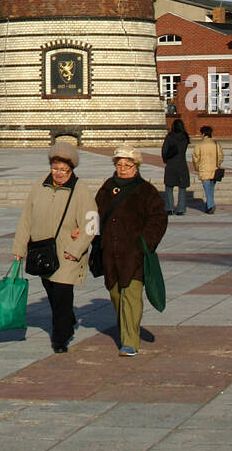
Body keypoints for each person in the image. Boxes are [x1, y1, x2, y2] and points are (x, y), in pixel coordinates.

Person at [13, 140, 93, 354]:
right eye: (55, 168)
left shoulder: (81, 191)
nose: (59, 173)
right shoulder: (40, 185)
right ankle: (67, 318)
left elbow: (91, 225)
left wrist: (76, 250)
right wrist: (20, 247)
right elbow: (26, 218)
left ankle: (60, 338)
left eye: (64, 170)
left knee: (61, 293)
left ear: (71, 169)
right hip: (42, 251)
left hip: (68, 253)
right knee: (51, 292)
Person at [95, 146, 168, 357]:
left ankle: (130, 341)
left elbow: (158, 218)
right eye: (119, 165)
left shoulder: (146, 190)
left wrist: (145, 242)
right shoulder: (108, 188)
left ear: (136, 167)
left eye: (128, 165)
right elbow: (94, 213)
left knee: (131, 295)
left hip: (134, 254)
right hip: (109, 252)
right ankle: (126, 327)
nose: (123, 169)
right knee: (116, 294)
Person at [191, 124, 223, 214]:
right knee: (211, 189)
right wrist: (218, 164)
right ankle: (210, 205)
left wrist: (197, 167)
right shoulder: (216, 144)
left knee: (207, 189)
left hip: (204, 169)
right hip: (215, 170)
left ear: (203, 134)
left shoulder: (199, 145)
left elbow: (195, 157)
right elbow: (220, 156)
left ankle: (210, 205)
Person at [161, 117, 190, 215]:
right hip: (182, 164)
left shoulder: (169, 137)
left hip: (171, 165)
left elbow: (164, 151)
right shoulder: (185, 137)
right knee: (182, 187)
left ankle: (169, 208)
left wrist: (166, 159)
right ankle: (181, 209)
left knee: (169, 187)